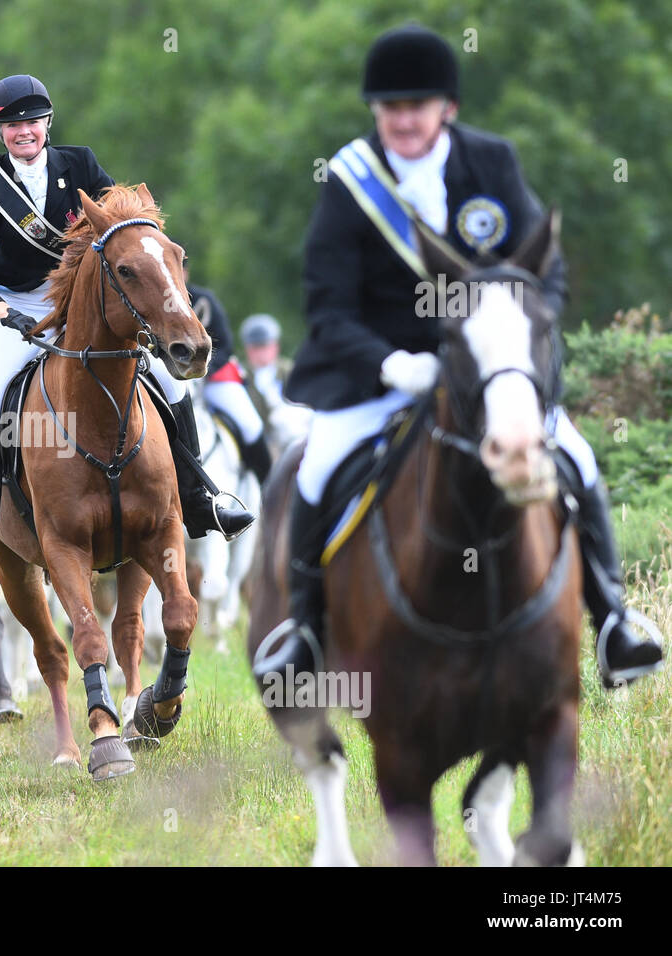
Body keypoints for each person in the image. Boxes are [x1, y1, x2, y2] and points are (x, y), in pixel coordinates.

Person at [252, 23, 662, 689]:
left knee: (578, 458)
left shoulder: (492, 162)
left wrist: (518, 331)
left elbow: (542, 267)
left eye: (417, 106)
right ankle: (304, 631)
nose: (403, 120)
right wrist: (393, 366)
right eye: (390, 108)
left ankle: (613, 621)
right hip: (382, 375)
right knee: (315, 471)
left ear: (449, 108)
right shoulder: (349, 181)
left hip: (489, 370)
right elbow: (327, 307)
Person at [0, 74, 254, 571]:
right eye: (12, 125)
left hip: (87, 302)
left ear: (47, 123)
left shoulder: (80, 163)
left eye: (32, 121)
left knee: (171, 387)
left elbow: (125, 224)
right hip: (21, 305)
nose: (24, 131)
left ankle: (199, 497)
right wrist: (3, 313)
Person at [188, 280, 273, 484]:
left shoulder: (203, 300)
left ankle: (265, 485)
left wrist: (203, 371)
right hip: (170, 378)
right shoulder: (147, 294)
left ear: (185, 271)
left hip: (211, 378)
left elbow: (225, 346)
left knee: (250, 426)